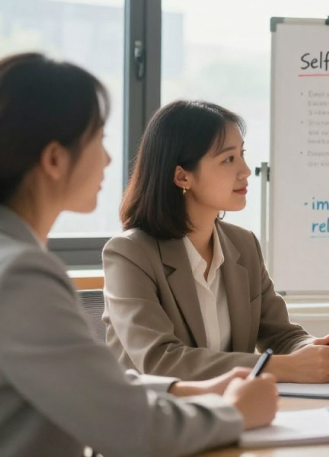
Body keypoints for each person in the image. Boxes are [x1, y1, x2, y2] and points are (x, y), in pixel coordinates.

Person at [0, 53, 278, 456]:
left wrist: (189, 389)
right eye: (99, 139)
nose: (110, 160)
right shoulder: (21, 275)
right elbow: (126, 425)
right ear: (55, 159)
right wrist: (234, 411)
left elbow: (89, 387)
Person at [103, 100, 329, 381]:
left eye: (242, 154)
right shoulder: (130, 253)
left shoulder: (244, 244)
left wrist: (315, 352)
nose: (246, 170)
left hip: (237, 410)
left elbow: (280, 334)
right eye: (228, 159)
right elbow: (160, 360)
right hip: (157, 418)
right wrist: (287, 367)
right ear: (182, 176)